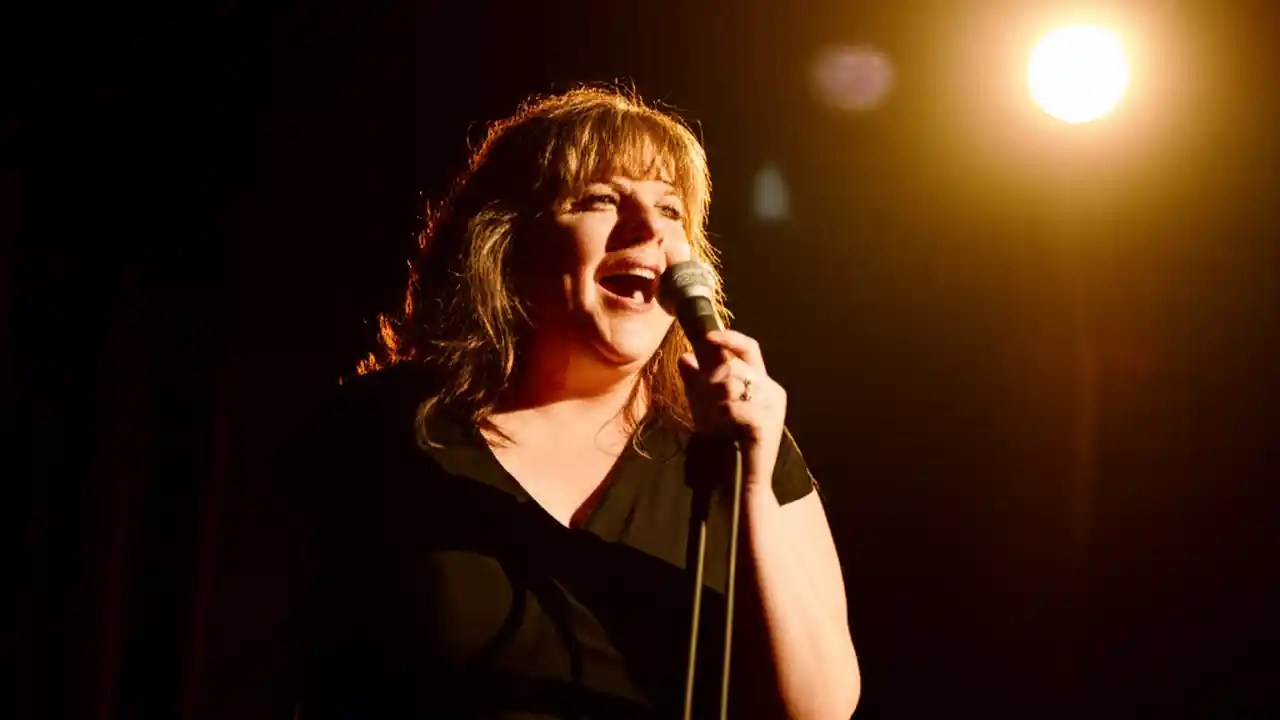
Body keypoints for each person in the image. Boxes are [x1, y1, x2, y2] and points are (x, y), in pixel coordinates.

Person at [278, 86, 860, 719]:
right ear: (505, 241)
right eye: (602, 199)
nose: (649, 230)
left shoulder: (744, 440)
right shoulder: (383, 428)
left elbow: (818, 709)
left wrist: (749, 480)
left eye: (672, 211)